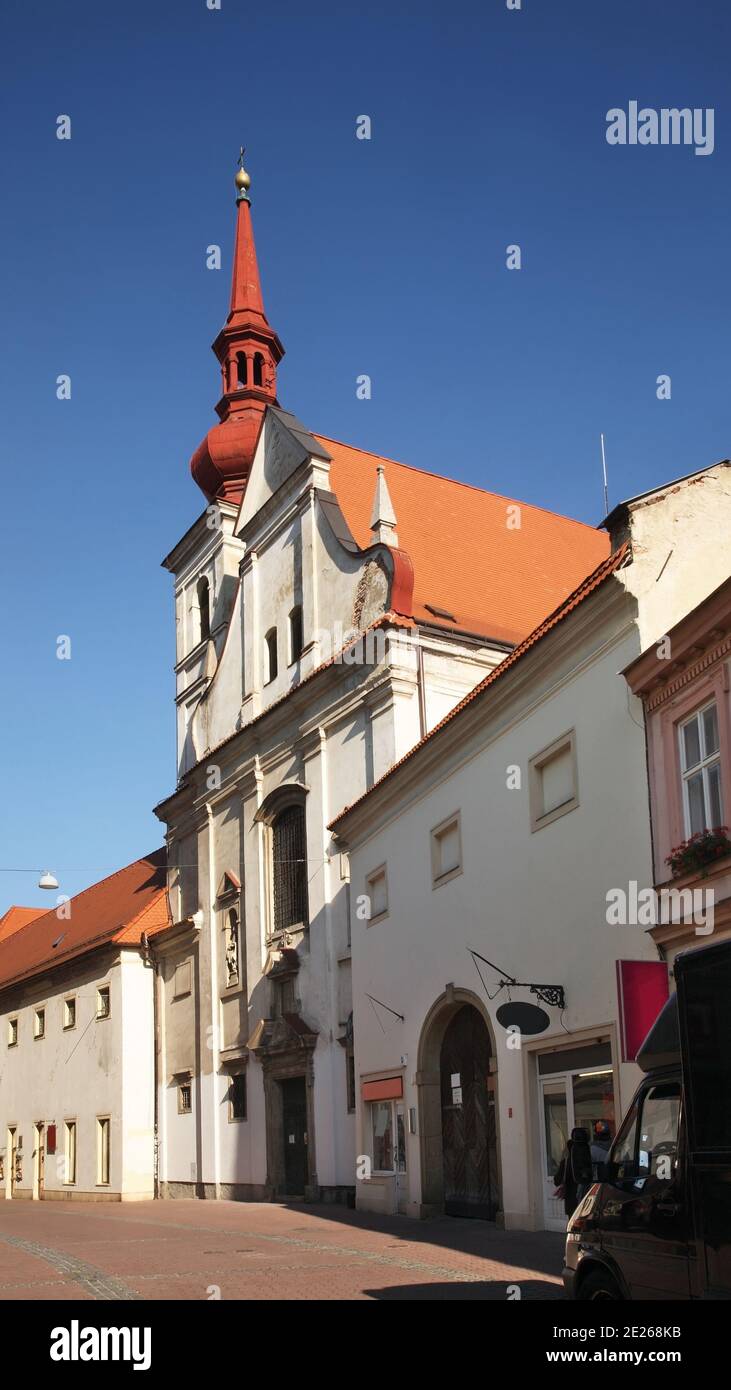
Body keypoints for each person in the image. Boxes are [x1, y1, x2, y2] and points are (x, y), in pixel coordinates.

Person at [554, 1127, 593, 1217]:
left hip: (572, 1200)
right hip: (589, 1198)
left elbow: (557, 1180)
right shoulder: (590, 1151)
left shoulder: (568, 1157)